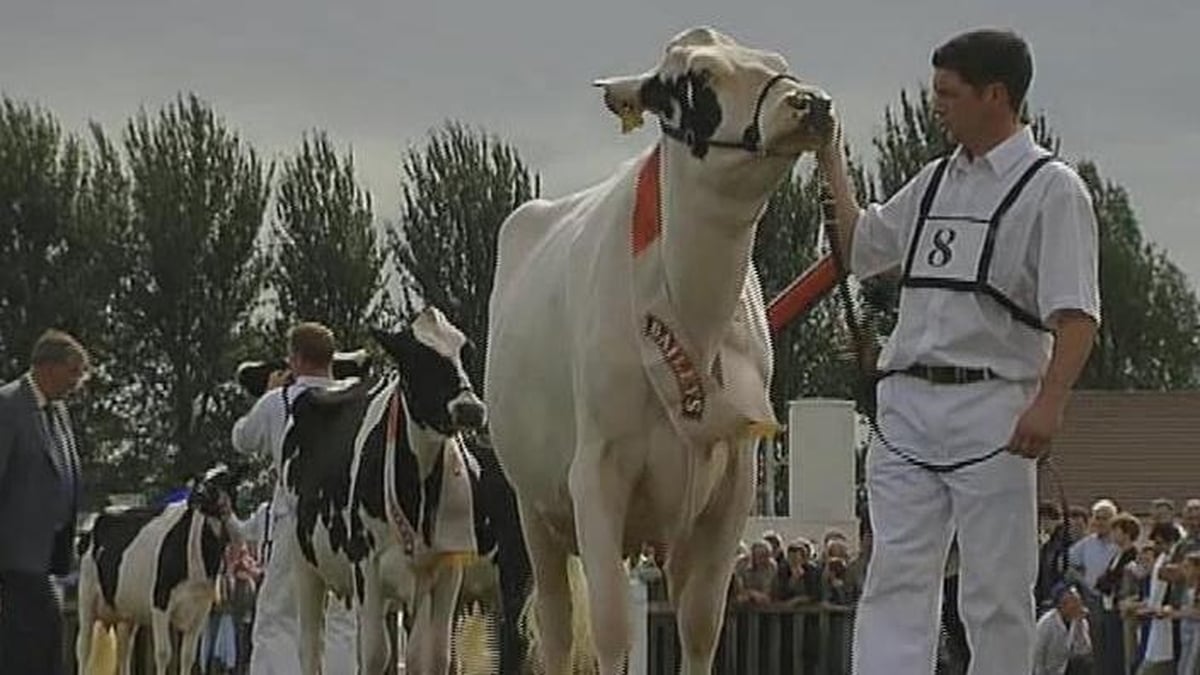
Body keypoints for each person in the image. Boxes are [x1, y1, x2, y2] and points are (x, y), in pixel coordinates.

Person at [818, 28, 1101, 674]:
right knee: (894, 576)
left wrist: (1049, 403)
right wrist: (832, 160)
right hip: (907, 400)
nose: (936, 104)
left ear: (994, 96)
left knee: (995, 591)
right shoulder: (937, 178)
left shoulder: (1052, 189)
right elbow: (865, 250)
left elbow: (1077, 315)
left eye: (948, 92)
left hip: (994, 404)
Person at [232, 322, 357, 675]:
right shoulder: (353, 397)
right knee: (342, 618)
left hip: (294, 519)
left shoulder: (279, 401)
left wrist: (267, 393)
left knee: (278, 616)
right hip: (343, 524)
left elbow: (242, 439)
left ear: (296, 359)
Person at [0, 329, 89, 674]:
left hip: (49, 560)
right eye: (74, 371)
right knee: (26, 653)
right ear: (48, 367)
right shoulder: (8, 407)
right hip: (15, 562)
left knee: (48, 648)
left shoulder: (59, 413)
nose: (78, 382)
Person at [1033, 583, 1093, 675]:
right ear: (1062, 604)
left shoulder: (1080, 621)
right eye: (1073, 601)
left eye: (1079, 601)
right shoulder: (1047, 623)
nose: (1078, 605)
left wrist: (1080, 626)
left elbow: (1083, 650)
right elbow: (1038, 655)